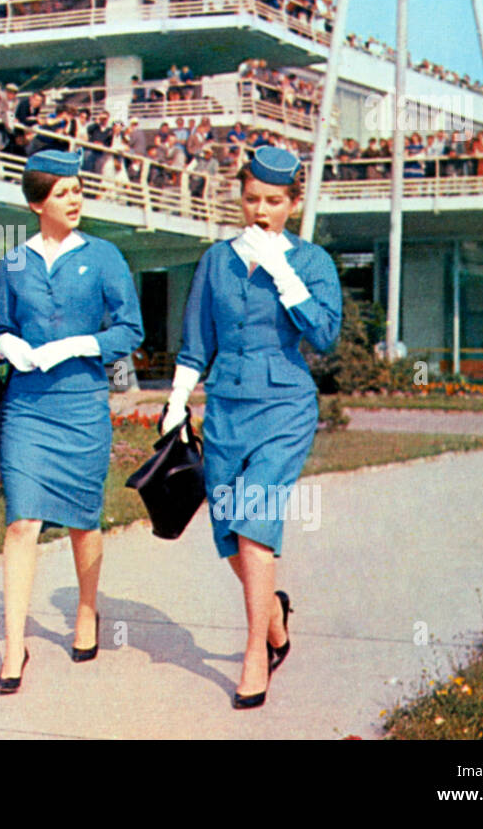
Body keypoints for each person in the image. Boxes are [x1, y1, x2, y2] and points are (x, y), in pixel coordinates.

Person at [163, 145, 341, 709]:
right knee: (228, 534)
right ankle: (276, 622)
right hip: (225, 407)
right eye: (251, 200)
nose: (260, 211)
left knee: (253, 525)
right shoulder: (217, 259)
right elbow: (197, 341)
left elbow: (325, 336)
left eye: (273, 202)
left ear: (293, 203)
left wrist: (284, 271)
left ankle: (253, 656)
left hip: (285, 406)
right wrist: (174, 403)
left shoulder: (311, 262)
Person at [0, 149, 144, 693]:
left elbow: (130, 329)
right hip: (28, 408)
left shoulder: (103, 256)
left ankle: (86, 610)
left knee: (83, 520)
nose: (75, 198)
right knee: (21, 522)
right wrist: (10, 344)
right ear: (37, 203)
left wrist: (79, 345)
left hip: (81, 405)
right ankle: (14, 647)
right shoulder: (13, 262)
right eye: (62, 192)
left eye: (78, 188)